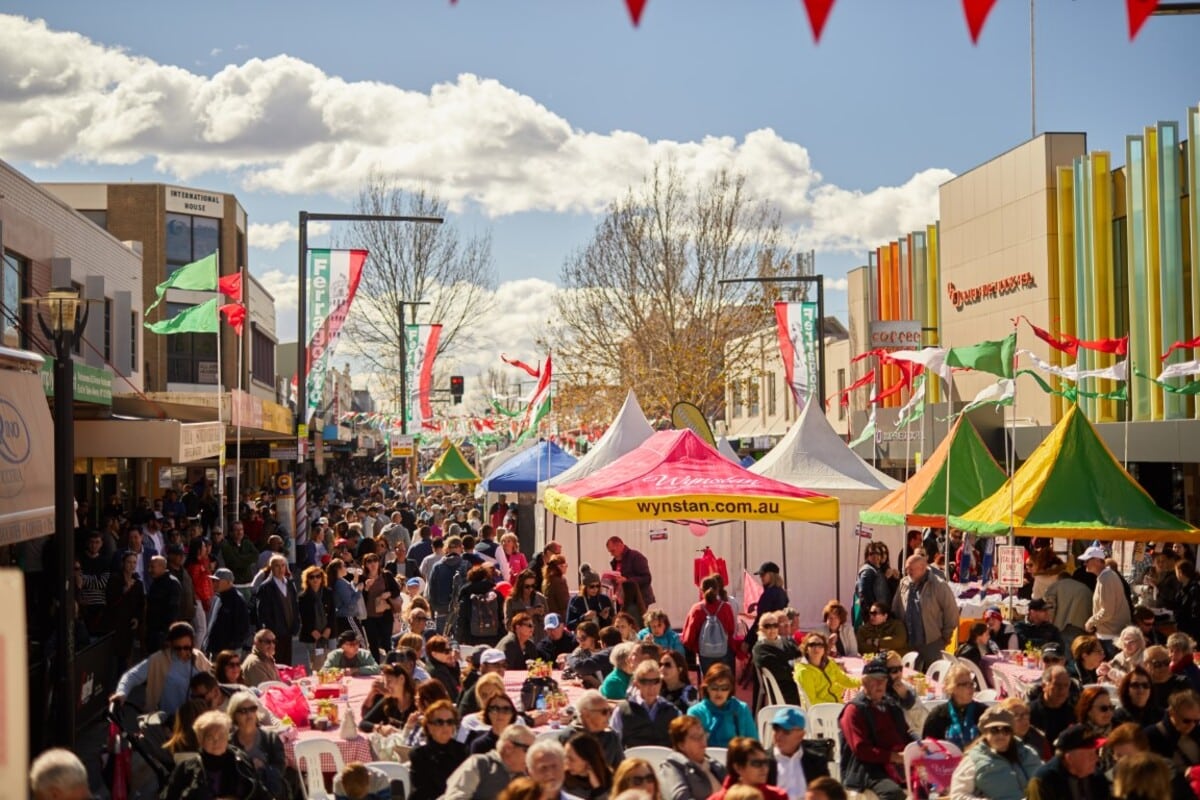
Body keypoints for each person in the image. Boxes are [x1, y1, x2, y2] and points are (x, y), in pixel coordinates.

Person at [838, 658, 914, 800]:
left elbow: (906, 733)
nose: (879, 684)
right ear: (864, 682)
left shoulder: (891, 705)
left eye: (883, 679)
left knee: (931, 781)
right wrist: (894, 757)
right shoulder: (854, 710)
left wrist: (918, 747)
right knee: (893, 793)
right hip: (866, 767)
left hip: (896, 762)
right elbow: (861, 750)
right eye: (874, 680)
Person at [160, 710, 267, 799]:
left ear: (227, 737)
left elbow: (260, 793)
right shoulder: (186, 768)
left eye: (221, 736)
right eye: (210, 737)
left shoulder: (241, 760)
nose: (216, 741)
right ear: (200, 740)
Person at [111, 621, 212, 716]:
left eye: (186, 648)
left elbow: (212, 679)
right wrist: (122, 693)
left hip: (196, 718)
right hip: (168, 720)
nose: (182, 652)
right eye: (177, 648)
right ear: (171, 644)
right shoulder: (159, 660)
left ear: (192, 644)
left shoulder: (198, 657)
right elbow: (131, 675)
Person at [948, 705, 1042, 800]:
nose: (1001, 735)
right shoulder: (973, 760)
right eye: (994, 730)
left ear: (1011, 733)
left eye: (1006, 730)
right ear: (985, 733)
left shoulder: (1028, 753)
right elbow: (957, 795)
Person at [892, 554, 959, 670]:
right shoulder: (904, 583)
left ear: (923, 568)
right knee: (910, 675)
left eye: (911, 569)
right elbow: (896, 608)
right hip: (908, 642)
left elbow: (951, 612)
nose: (908, 572)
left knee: (934, 675)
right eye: (907, 569)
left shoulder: (939, 585)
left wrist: (945, 637)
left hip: (932, 642)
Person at [441, 722, 535, 800]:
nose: (531, 757)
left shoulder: (522, 777)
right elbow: (455, 797)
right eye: (528, 750)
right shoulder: (480, 764)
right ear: (508, 748)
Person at [227, 690, 288, 799]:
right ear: (234, 715)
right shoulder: (229, 742)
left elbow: (280, 766)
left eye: (252, 709)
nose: (249, 714)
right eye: (243, 711)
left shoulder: (270, 738)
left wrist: (264, 768)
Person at [1025, 723, 1111, 800]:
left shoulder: (1096, 777)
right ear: (1069, 758)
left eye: (1095, 752)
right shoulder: (1043, 782)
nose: (1096, 758)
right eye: (1090, 754)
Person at [611, 659, 680, 747]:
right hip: (633, 755)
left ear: (661, 683)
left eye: (656, 681)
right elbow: (613, 743)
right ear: (636, 684)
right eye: (645, 682)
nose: (651, 686)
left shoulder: (672, 711)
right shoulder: (622, 710)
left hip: (664, 755)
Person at [408, 699, 468, 800]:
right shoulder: (419, 755)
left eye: (450, 722)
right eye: (439, 722)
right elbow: (421, 792)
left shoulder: (463, 752)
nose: (445, 726)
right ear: (429, 727)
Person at [765, 707, 829, 800]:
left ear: (801, 735)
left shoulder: (816, 762)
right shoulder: (761, 761)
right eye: (776, 729)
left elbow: (826, 794)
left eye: (786, 731)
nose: (778, 735)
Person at [688, 663, 756, 748]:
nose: (719, 692)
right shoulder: (696, 713)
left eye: (724, 688)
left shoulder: (741, 709)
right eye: (714, 687)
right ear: (707, 688)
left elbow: (753, 746)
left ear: (730, 689)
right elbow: (691, 748)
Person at [660, 715, 728, 800]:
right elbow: (680, 798)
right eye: (696, 737)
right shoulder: (672, 765)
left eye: (703, 735)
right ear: (681, 745)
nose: (702, 740)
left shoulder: (715, 766)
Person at [921, 663, 987, 749]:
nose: (971, 687)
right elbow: (928, 747)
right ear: (952, 688)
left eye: (971, 684)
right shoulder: (937, 716)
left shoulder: (984, 713)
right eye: (965, 684)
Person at [704, 736, 788, 800]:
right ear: (738, 768)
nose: (764, 768)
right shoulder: (719, 799)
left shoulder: (777, 796)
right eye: (756, 763)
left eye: (766, 762)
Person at [684, 574, 736, 674]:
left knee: (709, 680)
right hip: (724, 650)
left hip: (705, 652)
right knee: (726, 679)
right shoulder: (726, 607)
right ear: (718, 589)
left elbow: (689, 636)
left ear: (701, 591)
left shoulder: (696, 609)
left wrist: (696, 648)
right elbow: (731, 629)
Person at [105, 549, 146, 675]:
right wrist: (124, 591)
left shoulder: (138, 583)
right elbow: (110, 600)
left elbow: (140, 604)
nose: (131, 565)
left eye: (134, 562)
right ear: (123, 563)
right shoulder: (114, 579)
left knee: (125, 657)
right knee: (113, 657)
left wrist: (137, 618)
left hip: (129, 624)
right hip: (115, 622)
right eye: (129, 562)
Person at [254, 555, 299, 666]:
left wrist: (296, 624)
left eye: (283, 566)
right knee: (275, 663)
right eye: (277, 566)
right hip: (274, 633)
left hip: (288, 631)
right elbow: (262, 612)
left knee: (287, 664)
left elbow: (294, 606)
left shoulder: (290, 584)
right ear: (271, 568)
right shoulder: (266, 587)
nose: (280, 569)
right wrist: (268, 631)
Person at [1081, 545, 1132, 644]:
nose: (1085, 563)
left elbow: (1107, 612)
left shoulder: (1106, 578)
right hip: (1110, 634)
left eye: (1087, 560)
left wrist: (1090, 622)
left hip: (1110, 636)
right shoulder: (1105, 577)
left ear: (1097, 560)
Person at [562, 690, 625, 768]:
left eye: (610, 711)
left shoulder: (610, 737)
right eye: (604, 712)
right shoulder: (567, 737)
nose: (609, 715)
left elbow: (621, 770)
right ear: (586, 714)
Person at [793, 632, 857, 706]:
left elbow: (845, 680)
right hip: (820, 709)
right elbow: (811, 701)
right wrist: (835, 705)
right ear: (806, 649)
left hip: (837, 705)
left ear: (824, 649)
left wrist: (863, 682)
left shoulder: (829, 663)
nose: (816, 648)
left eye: (820, 645)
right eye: (812, 645)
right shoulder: (804, 671)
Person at [753, 611, 801, 707]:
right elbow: (778, 671)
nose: (772, 629)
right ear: (761, 629)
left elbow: (801, 656)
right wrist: (795, 665)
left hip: (798, 682)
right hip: (783, 689)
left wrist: (791, 664)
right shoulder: (760, 649)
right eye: (767, 626)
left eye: (775, 625)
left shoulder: (786, 641)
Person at [1144, 688, 1200, 770]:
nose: (1192, 725)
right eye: (1186, 721)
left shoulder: (1197, 732)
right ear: (1172, 713)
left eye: (1196, 721)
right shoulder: (1152, 735)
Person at [360, 663, 417, 733]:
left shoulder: (417, 703)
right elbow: (363, 724)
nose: (386, 686)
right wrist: (380, 728)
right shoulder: (389, 701)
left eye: (389, 681)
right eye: (385, 682)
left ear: (401, 679)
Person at [1044, 567, 1093, 648]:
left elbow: (1051, 607)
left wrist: (1049, 626)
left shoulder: (1055, 586)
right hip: (1081, 627)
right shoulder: (1085, 588)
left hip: (1061, 627)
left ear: (1059, 578)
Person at [457, 564, 504, 647]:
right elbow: (502, 616)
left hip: (472, 639)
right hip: (495, 638)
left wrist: (459, 639)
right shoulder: (496, 594)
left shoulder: (466, 595)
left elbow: (462, 620)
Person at [144, 554, 182, 653]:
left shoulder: (172, 583)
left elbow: (173, 611)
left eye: (152, 567)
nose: (149, 570)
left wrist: (166, 633)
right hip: (152, 631)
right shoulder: (155, 583)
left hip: (162, 634)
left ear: (162, 567)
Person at [562, 731, 612, 800]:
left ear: (588, 760)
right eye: (565, 757)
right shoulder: (564, 782)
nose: (566, 763)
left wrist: (598, 789)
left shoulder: (609, 778)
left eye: (571, 759)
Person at [299, 563, 335, 659]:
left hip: (329, 632)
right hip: (312, 635)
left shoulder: (329, 593)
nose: (315, 579)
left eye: (318, 576)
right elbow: (303, 617)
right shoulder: (303, 597)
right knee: (316, 661)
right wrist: (313, 631)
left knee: (332, 660)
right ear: (307, 579)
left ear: (322, 578)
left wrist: (328, 629)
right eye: (311, 577)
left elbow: (332, 613)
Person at [607, 536, 655, 607]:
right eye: (610, 552)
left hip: (639, 600)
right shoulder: (615, 562)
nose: (611, 554)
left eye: (613, 551)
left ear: (620, 545)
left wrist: (627, 580)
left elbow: (647, 578)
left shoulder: (636, 556)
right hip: (624, 600)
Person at [1001, 696, 1052, 761]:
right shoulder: (998, 742)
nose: (1024, 719)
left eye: (1026, 714)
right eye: (1016, 715)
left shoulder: (1039, 738)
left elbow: (1049, 763)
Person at [853, 543, 892, 628]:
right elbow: (864, 593)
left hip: (881, 613)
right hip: (874, 615)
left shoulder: (876, 570)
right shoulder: (867, 571)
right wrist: (874, 612)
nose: (875, 556)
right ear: (867, 557)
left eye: (877, 553)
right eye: (872, 553)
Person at [750, 562, 790, 644]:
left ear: (771, 575)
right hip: (779, 634)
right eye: (760, 575)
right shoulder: (782, 593)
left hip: (767, 635)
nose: (761, 577)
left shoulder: (769, 594)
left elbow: (761, 618)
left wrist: (748, 640)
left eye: (763, 575)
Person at [506, 568, 549, 641]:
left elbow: (547, 621)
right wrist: (527, 613)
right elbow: (508, 625)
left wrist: (542, 615)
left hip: (539, 639)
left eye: (533, 586)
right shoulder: (511, 601)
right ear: (520, 586)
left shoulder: (540, 598)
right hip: (520, 641)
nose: (530, 589)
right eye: (527, 586)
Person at [1144, 644, 1191, 708]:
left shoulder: (1182, 683)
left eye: (1166, 662)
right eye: (1157, 664)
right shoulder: (1142, 686)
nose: (1163, 667)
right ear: (1145, 665)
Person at [326, 558, 362, 636]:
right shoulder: (340, 583)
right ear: (338, 569)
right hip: (348, 617)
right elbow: (350, 603)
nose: (346, 568)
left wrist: (355, 579)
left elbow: (350, 592)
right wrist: (359, 591)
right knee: (360, 641)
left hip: (345, 617)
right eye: (344, 566)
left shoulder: (340, 581)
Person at [660, 648, 700, 713]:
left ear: (680, 669)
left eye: (667, 665)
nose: (662, 668)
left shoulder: (689, 692)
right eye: (660, 665)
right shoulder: (656, 690)